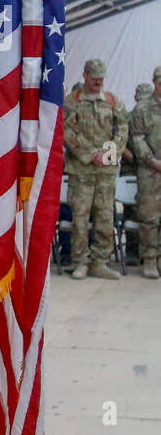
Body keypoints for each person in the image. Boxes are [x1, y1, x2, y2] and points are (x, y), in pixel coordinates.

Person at [64, 58, 131, 280]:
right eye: (94, 77)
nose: (98, 82)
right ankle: (80, 262)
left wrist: (108, 154)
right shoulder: (71, 102)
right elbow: (66, 132)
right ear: (84, 75)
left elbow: (122, 129)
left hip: (106, 172)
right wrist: (90, 154)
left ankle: (100, 261)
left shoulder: (113, 101)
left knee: (105, 216)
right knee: (80, 218)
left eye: (101, 77)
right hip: (81, 170)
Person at [128, 66, 161, 279]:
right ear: (154, 81)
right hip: (150, 172)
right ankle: (149, 259)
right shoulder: (142, 109)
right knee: (149, 217)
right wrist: (154, 162)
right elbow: (137, 139)